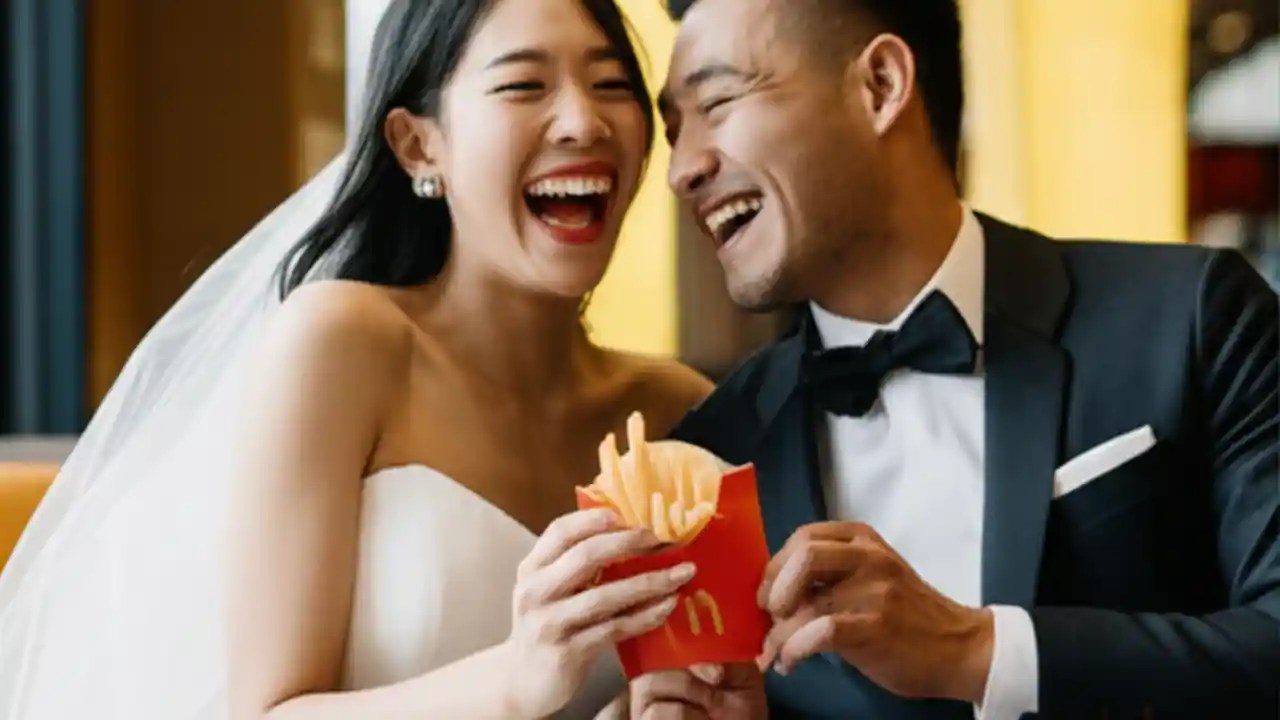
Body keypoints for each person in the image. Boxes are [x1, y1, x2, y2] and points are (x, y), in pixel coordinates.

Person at [0, 1, 713, 718]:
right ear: (417, 146)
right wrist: (514, 681)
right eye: (523, 86)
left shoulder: (680, 412)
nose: (583, 123)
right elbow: (269, 712)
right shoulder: (341, 344)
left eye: (613, 86)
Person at [630, 0, 1280, 718]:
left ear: (880, 84)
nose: (683, 169)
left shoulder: (1189, 318)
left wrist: (978, 651)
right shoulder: (709, 458)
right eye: (673, 130)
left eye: (718, 102)